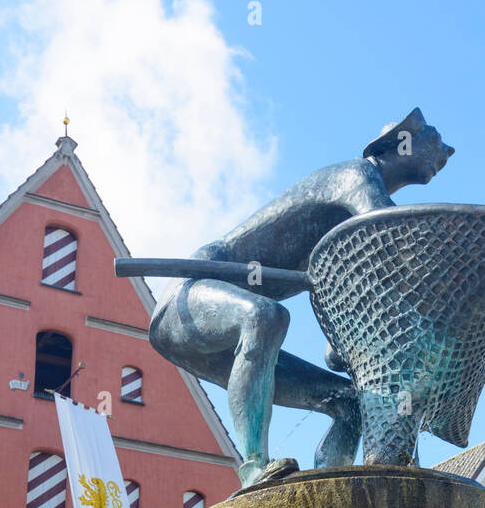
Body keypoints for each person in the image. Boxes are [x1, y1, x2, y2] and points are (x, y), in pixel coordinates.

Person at [148, 109, 455, 486]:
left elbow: (349, 312)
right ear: (402, 141)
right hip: (189, 301)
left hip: (231, 344)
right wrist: (474, 262)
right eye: (436, 139)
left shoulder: (350, 232)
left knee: (348, 401)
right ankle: (254, 468)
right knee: (266, 316)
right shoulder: (356, 176)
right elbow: (395, 237)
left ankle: (330, 492)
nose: (447, 151)